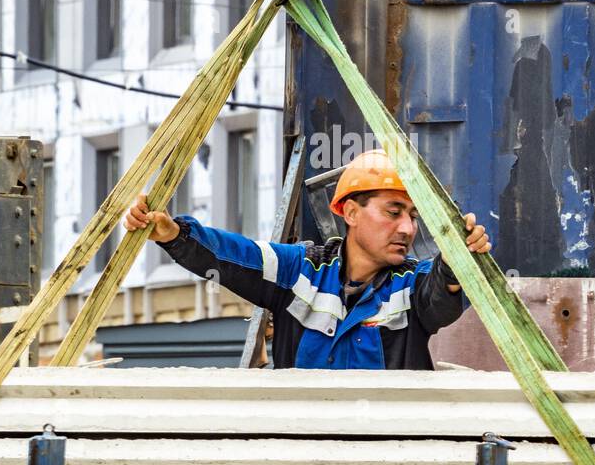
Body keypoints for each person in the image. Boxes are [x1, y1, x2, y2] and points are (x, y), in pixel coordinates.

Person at [123, 149, 491, 370]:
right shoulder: (299, 271)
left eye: (413, 215)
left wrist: (456, 263)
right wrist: (174, 236)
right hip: (303, 459)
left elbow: (439, 298)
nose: (408, 228)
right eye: (393, 211)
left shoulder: (413, 285)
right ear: (350, 212)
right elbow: (234, 256)